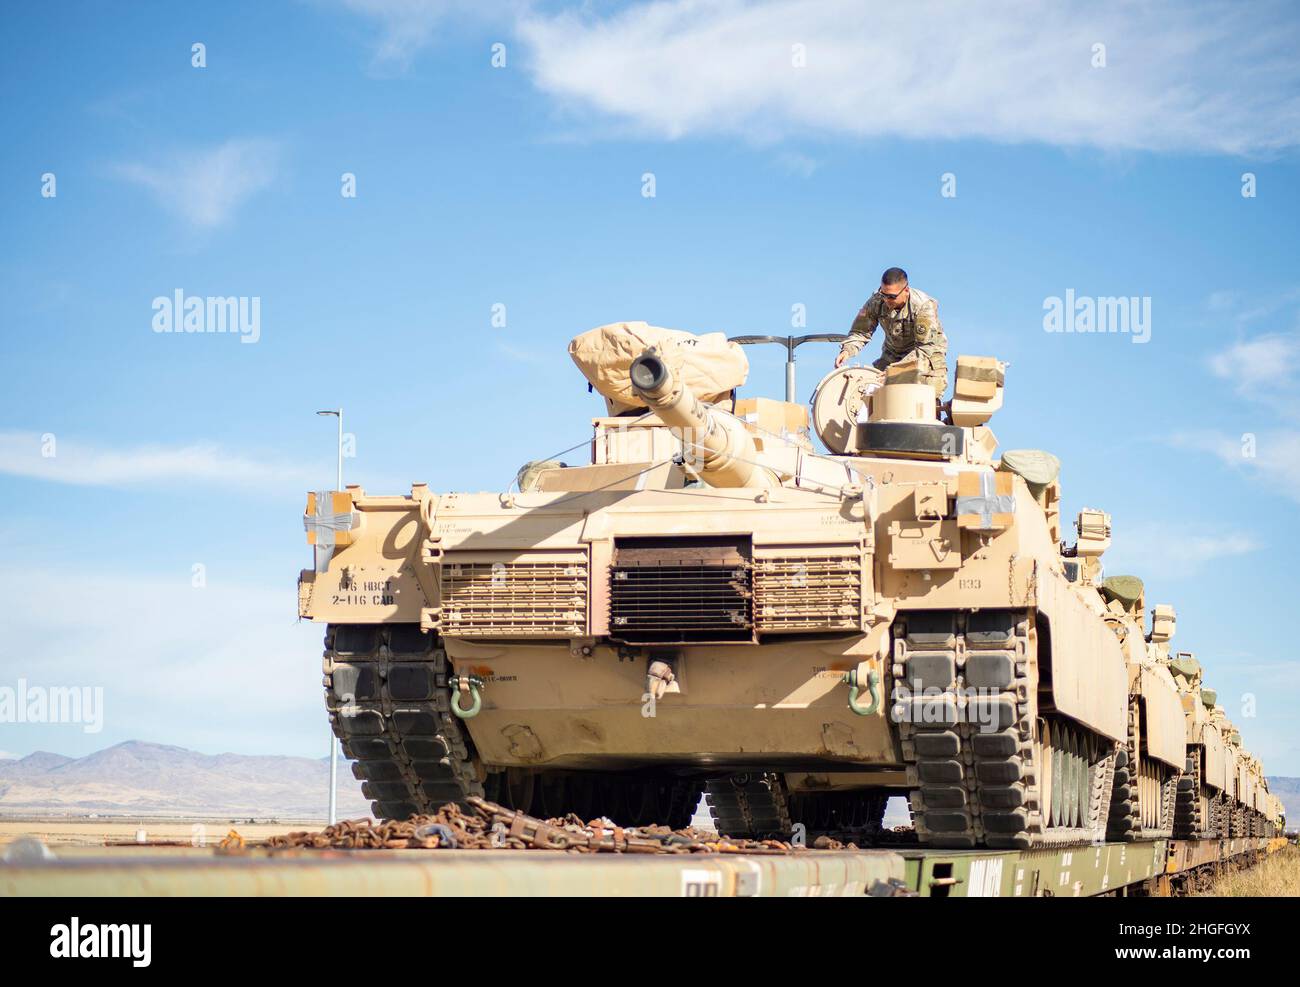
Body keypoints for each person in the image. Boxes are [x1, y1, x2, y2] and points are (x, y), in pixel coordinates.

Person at [835, 267, 948, 396]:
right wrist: (847, 350)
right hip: (893, 354)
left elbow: (924, 348)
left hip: (925, 355)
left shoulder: (923, 306)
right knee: (871, 388)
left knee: (925, 395)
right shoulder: (877, 301)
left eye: (892, 297)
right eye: (884, 294)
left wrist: (895, 371)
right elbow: (860, 331)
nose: (887, 300)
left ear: (905, 290)